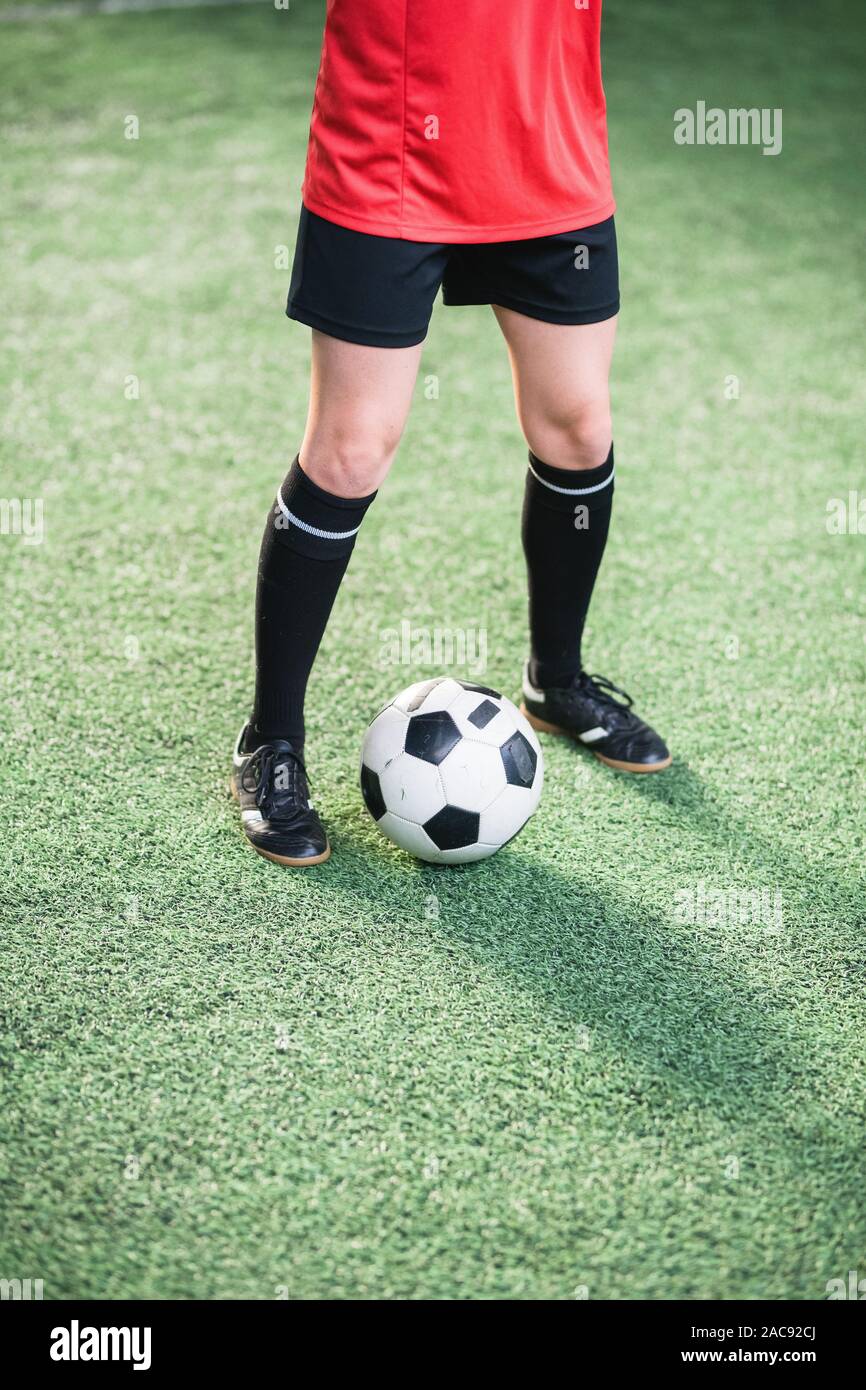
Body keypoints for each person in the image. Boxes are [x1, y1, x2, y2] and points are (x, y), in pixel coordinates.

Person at [231, 0, 671, 867]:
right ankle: (270, 739)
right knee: (352, 447)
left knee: (577, 427)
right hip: (388, 150)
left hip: (545, 144)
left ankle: (558, 680)